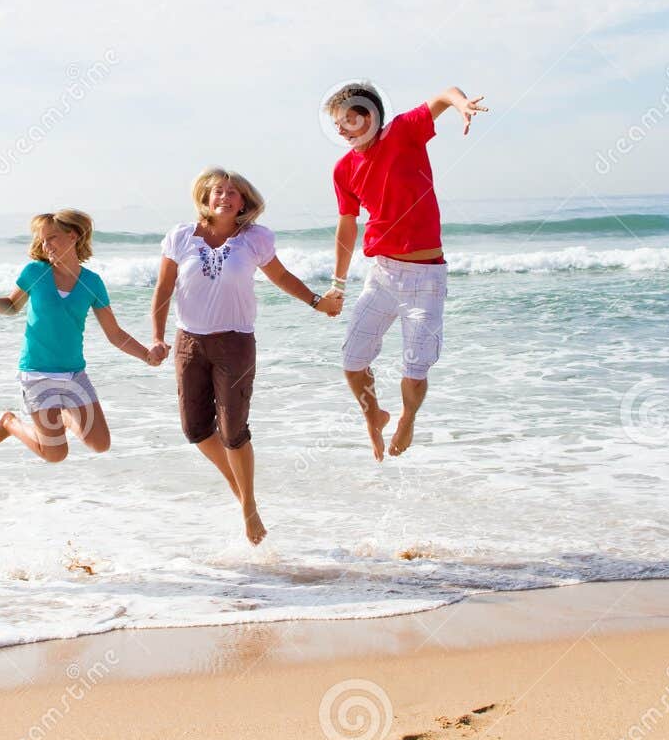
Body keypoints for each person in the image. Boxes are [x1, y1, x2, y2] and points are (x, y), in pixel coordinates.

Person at [149, 168, 341, 545]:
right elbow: (163, 288)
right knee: (195, 430)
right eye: (217, 191)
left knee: (233, 432)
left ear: (244, 202)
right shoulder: (180, 237)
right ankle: (243, 497)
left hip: (235, 344)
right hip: (190, 343)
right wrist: (156, 336)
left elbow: (282, 277)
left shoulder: (255, 239)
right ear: (204, 197)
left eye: (232, 192)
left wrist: (316, 301)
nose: (224, 197)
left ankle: (249, 507)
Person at [318, 81, 488, 460]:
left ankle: (408, 416)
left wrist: (462, 105)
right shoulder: (343, 169)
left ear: (370, 116)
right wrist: (338, 284)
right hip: (381, 274)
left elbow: (445, 94)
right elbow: (347, 225)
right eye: (337, 124)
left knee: (415, 367)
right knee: (352, 359)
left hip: (425, 277)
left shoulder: (404, 131)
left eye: (347, 121)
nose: (341, 130)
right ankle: (373, 415)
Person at [0, 209, 164, 461]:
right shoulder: (35, 273)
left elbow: (115, 334)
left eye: (52, 237)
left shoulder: (92, 282)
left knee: (100, 444)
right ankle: (9, 423)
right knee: (56, 454)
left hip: (75, 374)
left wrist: (146, 355)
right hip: (37, 373)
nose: (46, 245)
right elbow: (11, 306)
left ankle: (62, 416)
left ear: (73, 236)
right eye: (43, 240)